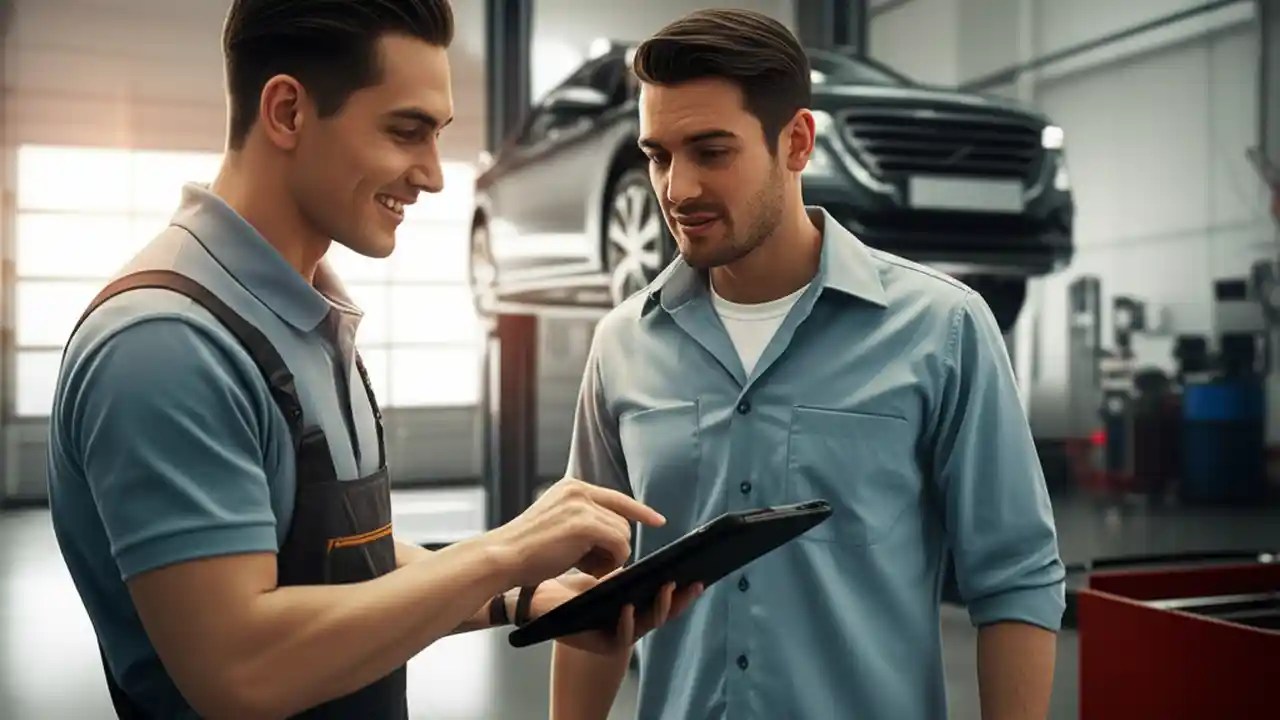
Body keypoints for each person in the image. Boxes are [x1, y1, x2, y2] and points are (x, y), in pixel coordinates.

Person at [47, 2, 700, 718]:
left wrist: (528, 595)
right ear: (289, 111)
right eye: (405, 131)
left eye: (437, 135)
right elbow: (241, 669)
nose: (432, 175)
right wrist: (506, 551)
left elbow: (345, 561)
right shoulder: (165, 346)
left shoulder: (305, 314)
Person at [552, 9, 1066, 720]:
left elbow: (1014, 578)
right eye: (659, 155)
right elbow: (592, 590)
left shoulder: (943, 329)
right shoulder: (621, 346)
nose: (675, 190)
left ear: (796, 142)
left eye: (711, 151)